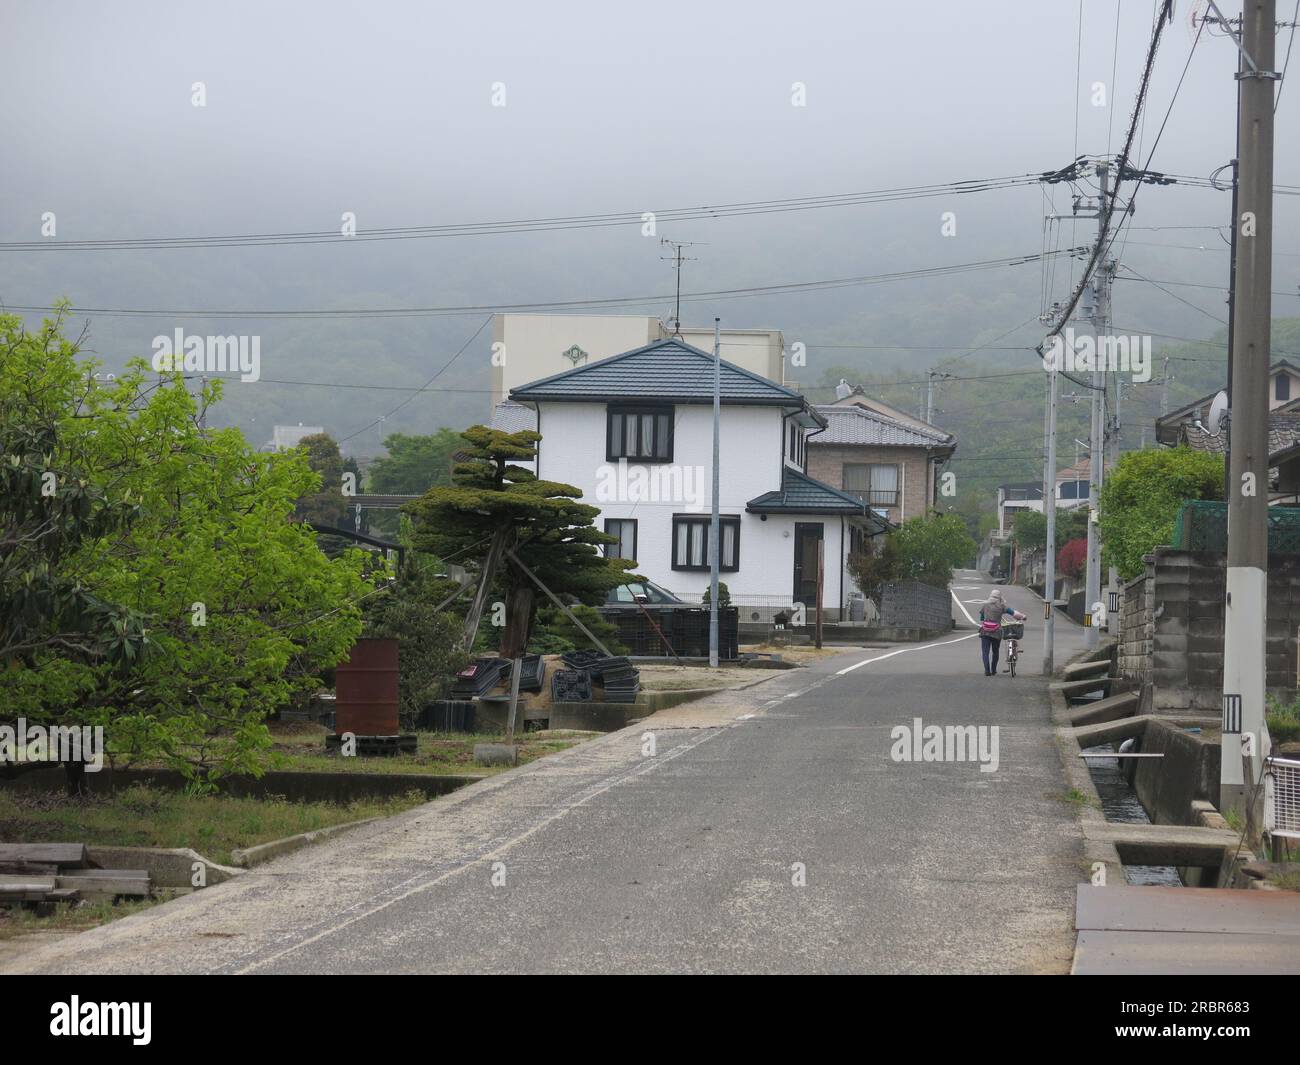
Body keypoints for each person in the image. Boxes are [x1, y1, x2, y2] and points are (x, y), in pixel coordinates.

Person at [978, 589, 1025, 677]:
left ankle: (987, 671)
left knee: (985, 652)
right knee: (995, 652)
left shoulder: (985, 604)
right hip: (996, 631)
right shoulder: (1001, 606)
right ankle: (994, 670)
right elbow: (1013, 613)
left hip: (985, 631)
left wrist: (985, 620)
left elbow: (981, 617)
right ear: (999, 597)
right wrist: (1023, 616)